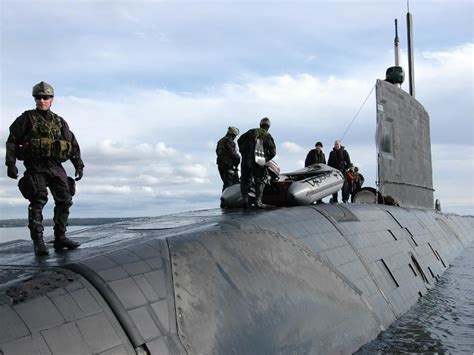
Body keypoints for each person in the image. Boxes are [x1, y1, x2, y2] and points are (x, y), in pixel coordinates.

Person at [5, 81, 84, 256]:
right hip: (36, 165)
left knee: (65, 199)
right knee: (38, 200)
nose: (42, 100)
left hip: (56, 166)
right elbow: (12, 141)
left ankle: (60, 237)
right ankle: (38, 241)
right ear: (35, 99)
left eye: (45, 97)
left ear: (51, 99)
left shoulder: (59, 121)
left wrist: (78, 164)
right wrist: (10, 163)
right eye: (38, 97)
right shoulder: (26, 119)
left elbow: (72, 143)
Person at [237, 117, 276, 208]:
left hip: (246, 160)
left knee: (245, 180)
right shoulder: (267, 135)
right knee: (259, 180)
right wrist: (264, 160)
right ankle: (258, 202)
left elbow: (239, 141)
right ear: (268, 126)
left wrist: (243, 153)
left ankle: (245, 200)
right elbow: (273, 152)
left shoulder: (250, 131)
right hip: (258, 161)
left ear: (260, 124)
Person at [216, 126, 241, 192]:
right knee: (231, 184)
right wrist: (238, 158)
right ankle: (227, 201)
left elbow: (217, 152)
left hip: (221, 165)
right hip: (228, 166)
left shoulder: (220, 141)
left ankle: (225, 199)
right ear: (233, 135)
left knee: (226, 183)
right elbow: (233, 154)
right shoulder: (229, 141)